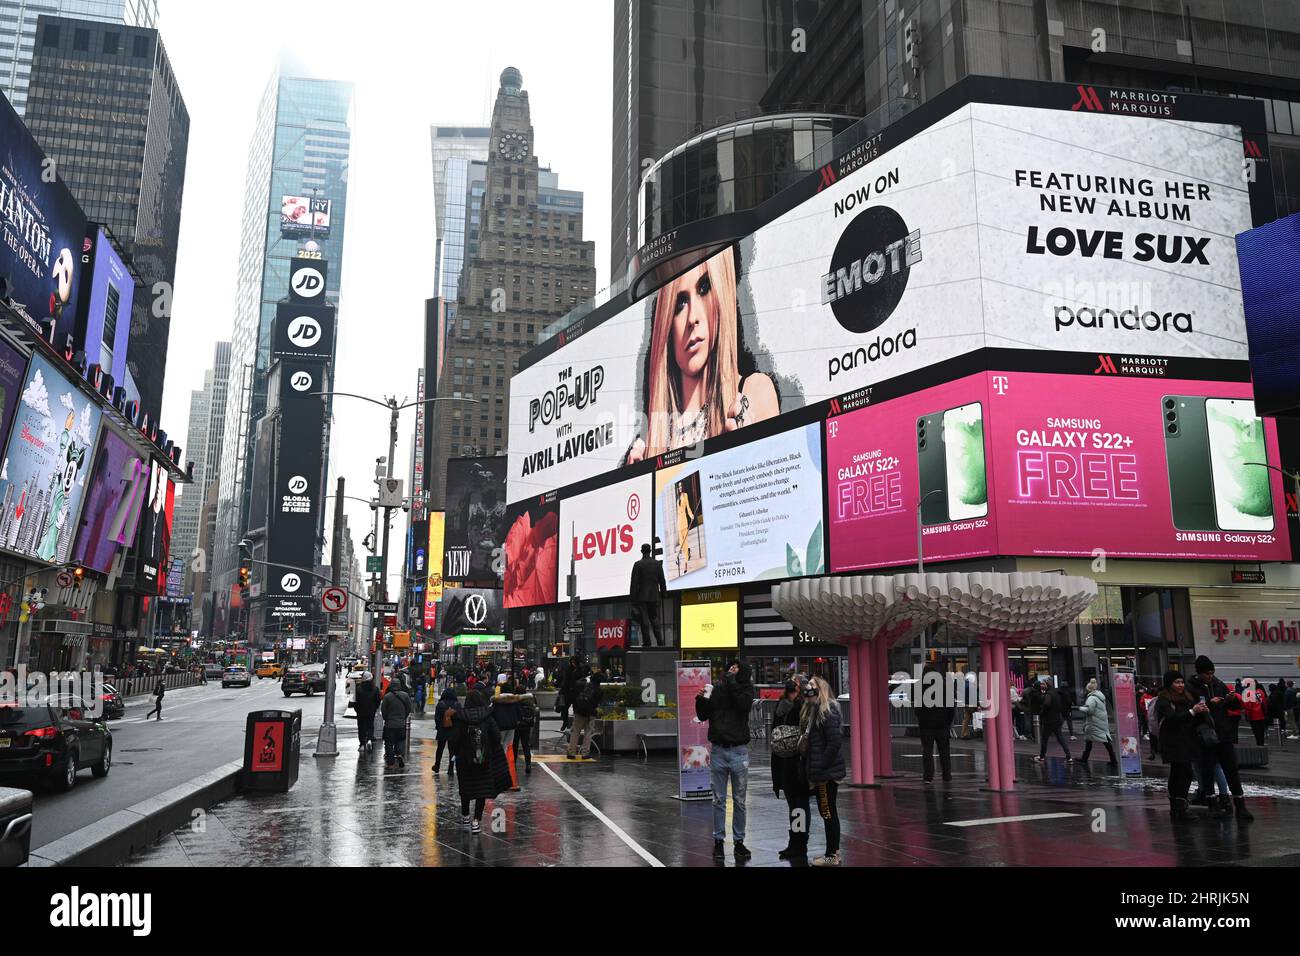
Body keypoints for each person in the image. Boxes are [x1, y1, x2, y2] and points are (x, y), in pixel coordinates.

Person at [624, 247, 778, 462]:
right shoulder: (654, 437)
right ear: (666, 324)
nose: (692, 318)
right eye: (680, 303)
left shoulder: (753, 392)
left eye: (704, 287)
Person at [695, 659, 755, 862]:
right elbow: (703, 715)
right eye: (731, 667)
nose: (732, 669)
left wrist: (731, 682)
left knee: (739, 801)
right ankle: (718, 841)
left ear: (743, 672)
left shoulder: (746, 690)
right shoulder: (719, 689)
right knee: (719, 800)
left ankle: (739, 842)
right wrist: (701, 699)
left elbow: (742, 706)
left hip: (738, 751)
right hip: (719, 750)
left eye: (736, 667)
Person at [1187, 655, 1253, 820]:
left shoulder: (1218, 684)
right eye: (1207, 673)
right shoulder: (1191, 688)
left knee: (1231, 770)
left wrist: (1231, 700)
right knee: (1208, 770)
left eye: (1212, 672)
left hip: (1223, 734)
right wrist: (1209, 704)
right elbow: (1191, 710)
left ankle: (1240, 805)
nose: (1210, 676)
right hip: (1205, 736)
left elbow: (1233, 707)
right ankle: (1212, 803)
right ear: (1199, 673)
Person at [449, 688, 511, 834]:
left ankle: (465, 818)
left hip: (465, 761)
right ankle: (476, 822)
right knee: (481, 791)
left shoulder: (460, 718)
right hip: (484, 760)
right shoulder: (488, 717)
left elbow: (454, 740)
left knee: (466, 789)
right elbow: (497, 738)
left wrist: (456, 753)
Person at [802, 675, 845, 867]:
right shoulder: (816, 711)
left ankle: (832, 854)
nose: (807, 688)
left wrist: (822, 766)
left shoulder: (827, 711)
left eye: (811, 685)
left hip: (826, 774)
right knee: (827, 812)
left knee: (828, 812)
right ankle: (833, 852)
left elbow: (834, 741)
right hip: (823, 771)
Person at [1156, 670, 1203, 821]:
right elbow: (1172, 718)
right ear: (1169, 684)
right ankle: (1179, 808)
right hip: (1172, 741)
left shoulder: (1187, 697)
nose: (1180, 685)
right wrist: (1192, 712)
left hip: (1187, 739)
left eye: (1182, 682)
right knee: (1183, 772)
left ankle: (1177, 807)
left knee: (1180, 772)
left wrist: (1200, 712)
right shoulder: (1164, 699)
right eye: (1177, 682)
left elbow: (1191, 718)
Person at [770, 677, 809, 862]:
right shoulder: (782, 704)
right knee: (793, 805)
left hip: (799, 764)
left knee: (799, 806)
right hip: (784, 763)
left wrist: (797, 699)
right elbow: (775, 728)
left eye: (795, 682)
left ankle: (799, 843)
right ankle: (795, 842)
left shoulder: (805, 704)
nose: (791, 683)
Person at [916, 663, 953, 783]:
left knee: (927, 751)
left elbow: (917, 708)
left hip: (926, 725)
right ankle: (947, 775)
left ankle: (928, 776)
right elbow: (951, 707)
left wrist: (921, 720)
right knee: (944, 752)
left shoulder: (920, 687)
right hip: (942, 724)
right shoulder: (944, 686)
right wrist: (948, 721)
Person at [629, 544, 667, 648]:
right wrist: (664, 594)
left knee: (644, 620)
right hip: (654, 596)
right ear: (650, 551)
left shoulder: (638, 564)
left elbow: (634, 583)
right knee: (654, 618)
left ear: (642, 551)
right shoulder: (657, 564)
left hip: (642, 596)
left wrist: (632, 599)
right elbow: (662, 581)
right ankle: (660, 642)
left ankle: (647, 642)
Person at [491, 679, 523, 790]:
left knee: (499, 747)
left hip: (500, 727)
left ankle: (499, 770)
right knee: (508, 746)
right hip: (512, 726)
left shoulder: (497, 701)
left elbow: (492, 713)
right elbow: (520, 714)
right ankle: (508, 767)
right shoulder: (514, 700)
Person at [1032, 678, 1073, 762]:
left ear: (1047, 685)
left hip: (1049, 720)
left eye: (1043, 684)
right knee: (1060, 738)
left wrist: (1042, 712)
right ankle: (1069, 756)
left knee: (1045, 738)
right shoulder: (1056, 693)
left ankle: (1042, 756)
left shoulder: (1048, 694)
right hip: (1057, 718)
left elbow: (1047, 704)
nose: (1041, 685)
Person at [1080, 679, 1118, 768]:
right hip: (1101, 721)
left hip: (1094, 722)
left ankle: (1113, 759)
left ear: (1089, 689)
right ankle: (1085, 758)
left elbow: (1090, 710)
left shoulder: (1091, 698)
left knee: (1102, 740)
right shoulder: (1100, 697)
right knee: (1094, 740)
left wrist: (1081, 708)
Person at [566, 667, 602, 759]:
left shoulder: (585, 686)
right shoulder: (598, 690)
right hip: (591, 714)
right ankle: (585, 753)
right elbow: (598, 702)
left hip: (580, 712)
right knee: (588, 732)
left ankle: (571, 752)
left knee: (576, 731)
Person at [380, 676, 413, 770]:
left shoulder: (387, 697)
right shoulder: (405, 695)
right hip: (401, 724)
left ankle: (391, 763)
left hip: (389, 724)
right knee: (401, 740)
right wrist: (403, 717)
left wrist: (386, 719)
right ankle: (399, 754)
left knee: (389, 743)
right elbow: (408, 708)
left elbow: (384, 710)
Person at [432, 687, 460, 775]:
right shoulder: (457, 704)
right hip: (454, 730)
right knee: (452, 750)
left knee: (440, 749)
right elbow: (460, 717)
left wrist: (438, 726)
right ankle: (450, 768)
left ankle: (437, 766)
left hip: (442, 730)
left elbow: (436, 718)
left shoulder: (441, 704)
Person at [355, 672, 380, 752]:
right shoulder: (375, 689)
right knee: (370, 725)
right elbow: (377, 701)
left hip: (361, 712)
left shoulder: (358, 688)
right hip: (371, 711)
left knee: (361, 727)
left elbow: (354, 701)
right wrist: (374, 708)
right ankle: (369, 739)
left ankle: (362, 743)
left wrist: (357, 709)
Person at [1242, 679, 1269, 746]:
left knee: (1256, 732)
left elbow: (1248, 706)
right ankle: (1261, 744)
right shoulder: (1260, 691)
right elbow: (1265, 703)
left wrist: (1247, 716)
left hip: (1253, 716)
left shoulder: (1249, 693)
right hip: (1261, 715)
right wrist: (1265, 712)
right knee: (1261, 732)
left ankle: (1259, 745)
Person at [1268, 681, 1288, 745]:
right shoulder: (1280, 692)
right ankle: (1283, 731)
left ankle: (1279, 732)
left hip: (1276, 710)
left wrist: (1270, 705)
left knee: (1277, 721)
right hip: (1281, 709)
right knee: (1282, 720)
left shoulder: (1274, 694)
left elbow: (1273, 703)